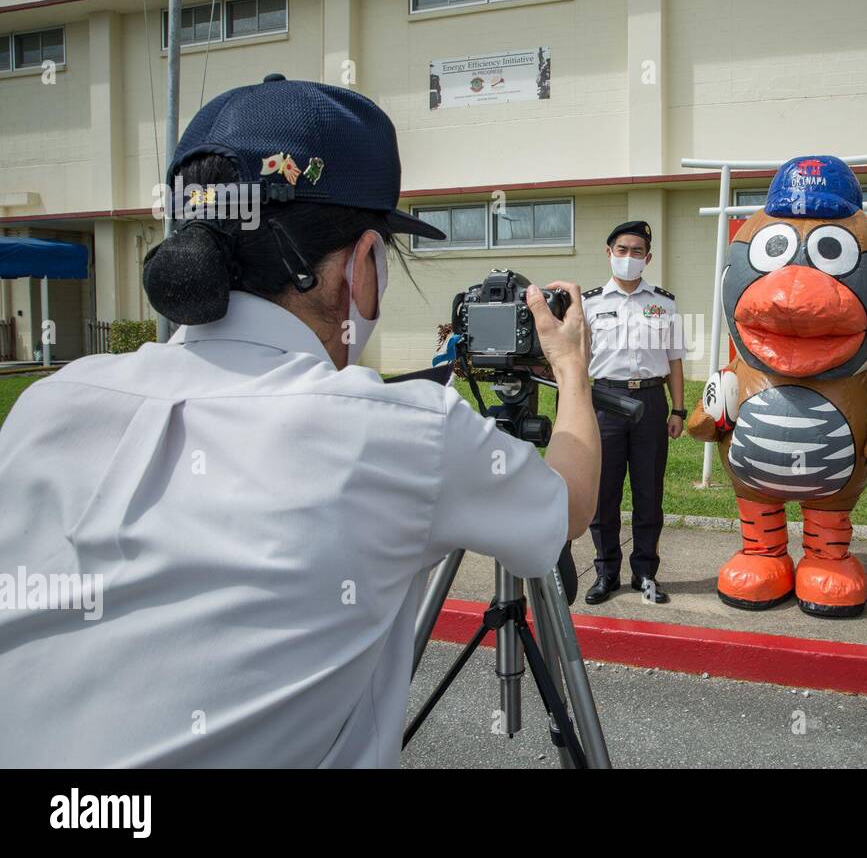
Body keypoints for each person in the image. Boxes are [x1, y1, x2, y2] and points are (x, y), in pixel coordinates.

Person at [0, 75, 599, 767]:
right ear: (363, 266)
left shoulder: (52, 400)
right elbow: (571, 504)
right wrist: (572, 369)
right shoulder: (403, 435)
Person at [580, 221, 686, 605]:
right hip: (605, 403)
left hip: (651, 404)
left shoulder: (665, 302)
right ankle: (606, 572)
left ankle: (645, 573)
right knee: (604, 493)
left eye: (637, 251)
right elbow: (578, 363)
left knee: (648, 493)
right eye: (622, 250)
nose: (629, 257)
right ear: (609, 253)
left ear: (648, 258)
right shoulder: (589, 304)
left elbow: (674, 362)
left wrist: (678, 409)